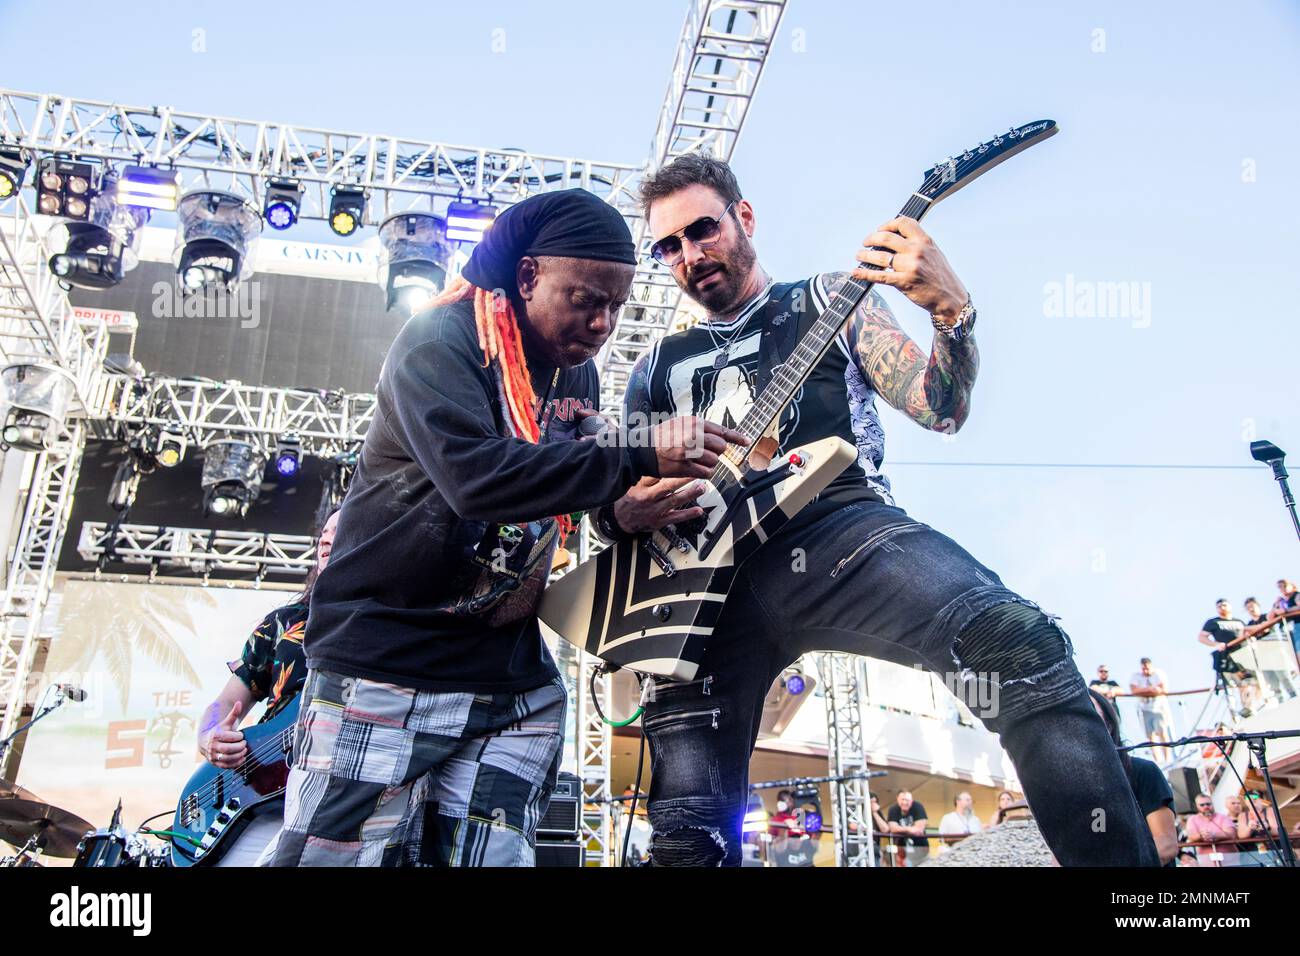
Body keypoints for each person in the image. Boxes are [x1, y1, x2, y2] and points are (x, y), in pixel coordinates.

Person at [602, 153, 1159, 867]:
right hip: (702, 588)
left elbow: (940, 408)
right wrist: (626, 512)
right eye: (667, 245)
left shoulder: (835, 298)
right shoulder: (652, 369)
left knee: (1014, 641)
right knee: (687, 832)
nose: (689, 254)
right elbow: (610, 505)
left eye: (702, 229)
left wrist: (952, 315)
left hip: (845, 533)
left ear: (744, 218)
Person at [260, 189, 742, 867]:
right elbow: (477, 480)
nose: (603, 322)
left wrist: (619, 510)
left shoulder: (576, 374)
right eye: (585, 299)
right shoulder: (439, 342)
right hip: (387, 663)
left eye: (617, 306)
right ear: (526, 278)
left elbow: (565, 480)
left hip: (509, 685)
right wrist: (637, 453)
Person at [196, 509, 340, 866]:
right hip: (263, 792)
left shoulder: (394, 623)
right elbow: (225, 702)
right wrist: (210, 736)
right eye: (323, 533)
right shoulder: (283, 622)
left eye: (341, 530)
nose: (325, 539)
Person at [1088, 689, 1178, 866]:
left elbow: (1166, 845)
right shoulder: (1069, 788)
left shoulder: (1143, 771)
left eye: (1089, 710)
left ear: (1109, 724)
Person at [1198, 599, 1258, 714]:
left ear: (1230, 606)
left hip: (1242, 657)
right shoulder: (1213, 622)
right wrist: (1216, 644)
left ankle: (1248, 708)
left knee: (1246, 682)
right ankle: (1234, 713)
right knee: (1229, 687)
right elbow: (1201, 637)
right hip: (1225, 659)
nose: (1222, 607)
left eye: (1224, 605)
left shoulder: (1239, 622)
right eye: (1219, 606)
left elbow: (1248, 632)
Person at [1241, 595, 1298, 702]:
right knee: (1272, 681)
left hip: (1274, 649)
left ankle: (1294, 697)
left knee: (1284, 676)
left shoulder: (1265, 616)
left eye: (1252, 606)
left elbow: (1266, 624)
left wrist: (1249, 628)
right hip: (1262, 654)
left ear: (1258, 606)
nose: (1251, 609)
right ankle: (1280, 702)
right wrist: (1250, 628)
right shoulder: (1250, 623)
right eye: (1248, 608)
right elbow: (1243, 634)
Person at [1128, 658, 1175, 754]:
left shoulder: (1159, 674)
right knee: (1150, 735)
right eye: (1143, 669)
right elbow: (1134, 690)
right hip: (1144, 709)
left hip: (1159, 708)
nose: (1145, 671)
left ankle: (1167, 758)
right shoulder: (1136, 676)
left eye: (1147, 668)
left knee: (1162, 732)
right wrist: (1151, 689)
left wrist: (1143, 690)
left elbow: (1164, 689)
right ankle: (1157, 759)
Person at [1184, 794, 1241, 867]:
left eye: (1208, 804)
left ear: (1212, 804)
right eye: (1202, 805)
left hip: (1229, 859)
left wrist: (1214, 834)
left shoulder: (1223, 817)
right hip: (1206, 860)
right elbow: (1191, 836)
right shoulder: (1192, 819)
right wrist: (1201, 835)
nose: (1206, 807)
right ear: (1197, 806)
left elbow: (1231, 834)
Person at [886, 791, 930, 867]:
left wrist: (900, 829)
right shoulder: (893, 809)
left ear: (911, 801)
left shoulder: (918, 806)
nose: (905, 802)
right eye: (902, 799)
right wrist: (910, 829)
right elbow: (893, 828)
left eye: (907, 800)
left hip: (921, 848)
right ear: (897, 799)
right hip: (902, 850)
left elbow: (919, 829)